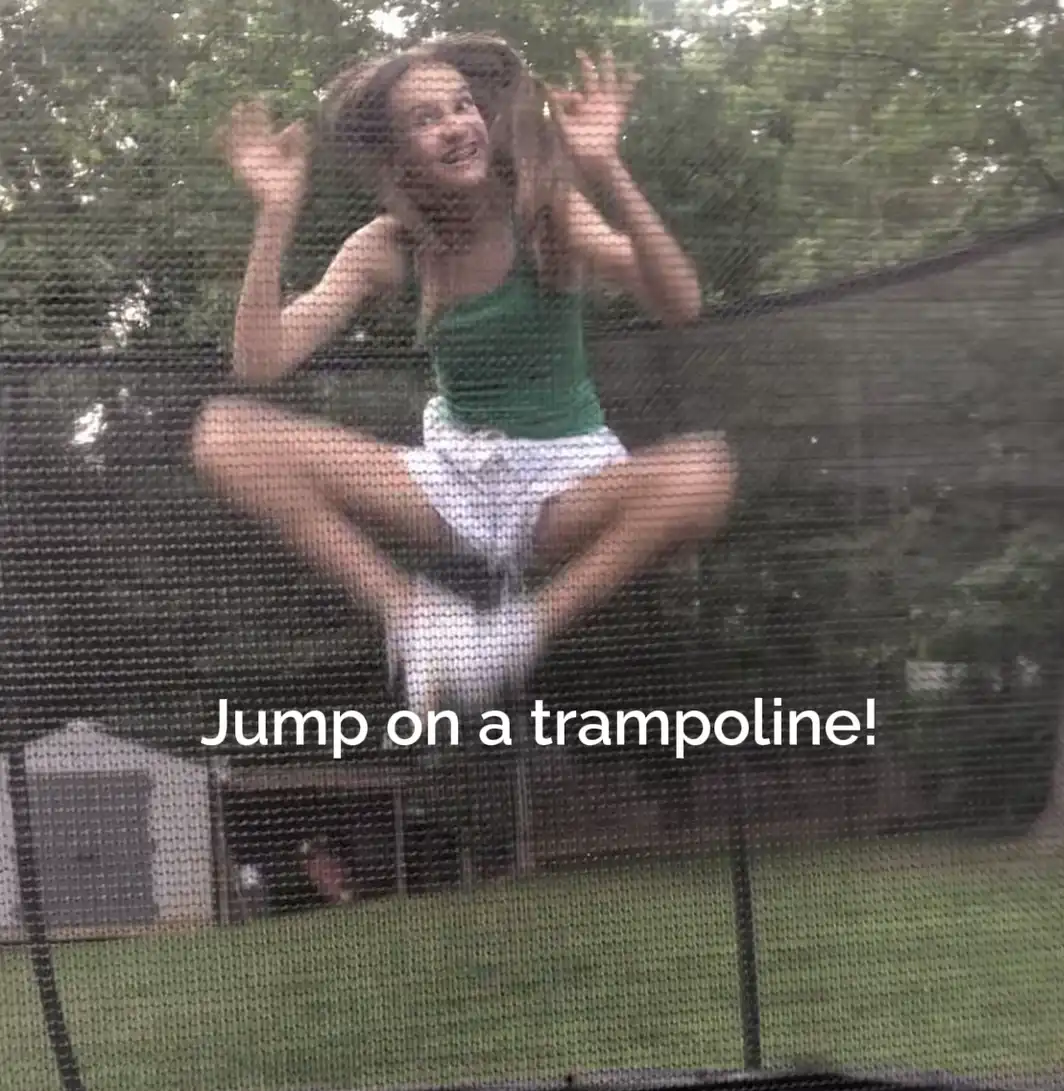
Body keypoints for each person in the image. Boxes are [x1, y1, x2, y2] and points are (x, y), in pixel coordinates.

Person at [192, 34, 736, 714]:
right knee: (226, 436)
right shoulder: (388, 245)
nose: (455, 125)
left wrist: (608, 168)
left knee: (701, 473)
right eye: (426, 119)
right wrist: (275, 214)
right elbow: (260, 361)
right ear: (397, 156)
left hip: (565, 484)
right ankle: (419, 622)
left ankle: (512, 637)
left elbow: (680, 302)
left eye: (461, 106)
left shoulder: (544, 213)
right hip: (456, 481)